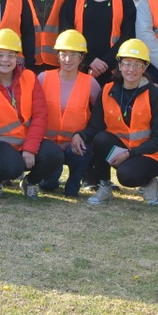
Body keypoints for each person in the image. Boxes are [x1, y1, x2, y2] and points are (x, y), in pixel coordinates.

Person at [0, 29, 64, 198]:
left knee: (55, 155)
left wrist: (30, 148)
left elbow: (40, 116)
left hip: (27, 140)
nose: (5, 60)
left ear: (17, 58)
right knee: (12, 167)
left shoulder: (30, 78)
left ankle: (30, 182)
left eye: (11, 55)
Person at [82, 39, 158, 206]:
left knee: (126, 176)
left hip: (153, 155)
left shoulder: (154, 94)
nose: (131, 69)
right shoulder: (107, 90)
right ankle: (104, 186)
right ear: (119, 65)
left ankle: (148, 182)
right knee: (100, 138)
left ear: (145, 68)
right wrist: (80, 136)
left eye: (138, 65)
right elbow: (96, 126)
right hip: (124, 150)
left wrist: (130, 154)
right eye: (127, 63)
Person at [37, 30, 100, 196]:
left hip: (75, 143)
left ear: (81, 58)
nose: (68, 59)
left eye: (74, 54)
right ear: (57, 56)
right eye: (64, 54)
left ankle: (73, 185)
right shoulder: (43, 78)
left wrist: (83, 136)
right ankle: (49, 180)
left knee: (82, 151)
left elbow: (99, 118)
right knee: (48, 186)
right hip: (48, 144)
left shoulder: (90, 83)